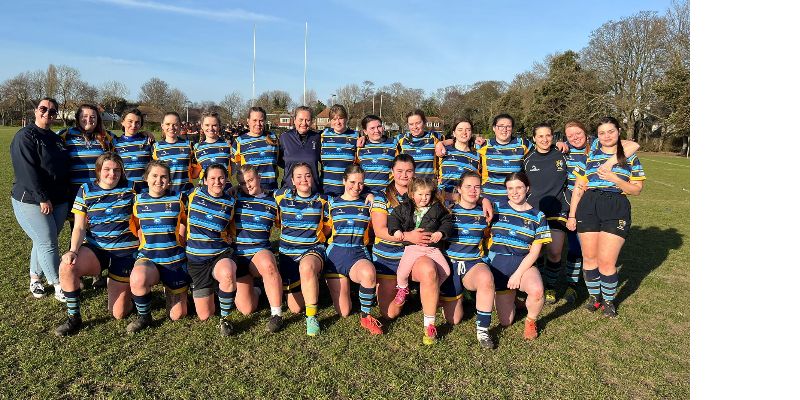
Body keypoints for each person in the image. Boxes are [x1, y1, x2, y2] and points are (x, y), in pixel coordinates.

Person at [566, 117, 646, 318]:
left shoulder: (630, 156)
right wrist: (572, 215)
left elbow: (636, 190)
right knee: (590, 258)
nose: (606, 136)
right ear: (597, 136)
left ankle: (609, 300)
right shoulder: (590, 154)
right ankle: (595, 297)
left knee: (607, 261)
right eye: (602, 133)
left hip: (616, 206)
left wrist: (615, 178)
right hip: (589, 204)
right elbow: (579, 186)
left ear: (619, 131)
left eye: (611, 131)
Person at [54, 152, 139, 336]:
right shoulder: (86, 190)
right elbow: (78, 227)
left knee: (119, 314)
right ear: (98, 170)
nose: (112, 174)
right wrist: (73, 251)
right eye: (107, 169)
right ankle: (73, 317)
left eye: (117, 170)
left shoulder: (133, 188)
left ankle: (127, 291)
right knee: (67, 267)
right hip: (97, 249)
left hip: (125, 252)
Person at [370, 154, 445, 345]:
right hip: (388, 257)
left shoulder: (425, 192)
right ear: (392, 172)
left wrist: (484, 201)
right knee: (390, 313)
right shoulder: (382, 196)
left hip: (418, 254)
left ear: (415, 173)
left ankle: (429, 324)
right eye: (400, 171)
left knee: (429, 270)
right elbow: (379, 230)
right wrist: (407, 235)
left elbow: (455, 195)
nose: (404, 175)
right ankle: (409, 291)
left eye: (409, 171)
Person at [11, 97, 71, 301]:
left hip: (59, 199)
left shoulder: (55, 138)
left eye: (52, 111)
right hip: (32, 200)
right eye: (43, 108)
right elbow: (27, 172)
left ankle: (35, 278)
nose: (47, 113)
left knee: (44, 239)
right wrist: (42, 198)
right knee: (47, 241)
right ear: (36, 110)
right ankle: (58, 284)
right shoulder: (25, 136)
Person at [126, 160, 191, 333]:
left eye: (164, 177)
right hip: (149, 258)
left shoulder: (179, 199)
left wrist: (182, 236)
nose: (159, 180)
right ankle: (144, 317)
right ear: (146, 178)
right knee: (138, 277)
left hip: (175, 259)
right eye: (154, 176)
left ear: (169, 180)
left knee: (178, 315)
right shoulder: (137, 201)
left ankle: (172, 290)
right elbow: (135, 227)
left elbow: (187, 222)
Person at [487, 172, 552, 340]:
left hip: (524, 264)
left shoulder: (538, 216)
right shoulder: (496, 209)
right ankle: (514, 300)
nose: (515, 192)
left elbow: (535, 252)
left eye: (519, 187)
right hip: (499, 264)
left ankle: (531, 321)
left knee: (537, 291)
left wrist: (517, 274)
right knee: (506, 321)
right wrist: (484, 200)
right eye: (510, 188)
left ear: (527, 188)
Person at [322, 164, 384, 335]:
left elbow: (385, 200)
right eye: (352, 182)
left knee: (369, 273)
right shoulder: (332, 203)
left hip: (358, 253)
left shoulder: (368, 203)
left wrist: (373, 195)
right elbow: (325, 231)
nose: (356, 187)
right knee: (344, 311)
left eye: (361, 183)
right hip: (336, 256)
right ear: (344, 181)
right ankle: (346, 289)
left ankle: (366, 315)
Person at [439, 171, 497, 349]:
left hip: (473, 263)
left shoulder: (486, 213)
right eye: (468, 187)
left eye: (477, 187)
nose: (473, 190)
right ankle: (451, 299)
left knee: (486, 279)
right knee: (454, 320)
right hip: (450, 265)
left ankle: (483, 330)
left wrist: (485, 200)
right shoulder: (447, 210)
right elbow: (434, 193)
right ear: (459, 189)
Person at [274, 163, 330, 336]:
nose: (303, 179)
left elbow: (328, 227)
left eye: (307, 175)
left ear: (313, 178)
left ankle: (311, 317)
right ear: (292, 180)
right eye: (298, 176)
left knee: (307, 267)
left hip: (312, 250)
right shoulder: (279, 197)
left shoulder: (323, 200)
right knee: (295, 307)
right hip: (287, 255)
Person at [185, 163, 239, 336]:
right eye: (213, 178)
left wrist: (230, 237)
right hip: (197, 260)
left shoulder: (230, 202)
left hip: (219, 254)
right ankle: (215, 289)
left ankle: (225, 319)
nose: (217, 182)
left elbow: (232, 228)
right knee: (205, 315)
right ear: (205, 180)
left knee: (228, 273)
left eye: (221, 178)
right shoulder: (192, 195)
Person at [232, 164, 284, 333]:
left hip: (260, 251)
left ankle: (276, 314)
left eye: (250, 180)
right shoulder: (233, 198)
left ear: (259, 177)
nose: (247, 185)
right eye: (242, 183)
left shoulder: (273, 200)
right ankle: (258, 289)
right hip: (238, 255)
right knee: (247, 309)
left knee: (268, 265)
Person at [523, 123, 571, 305]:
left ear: (553, 137)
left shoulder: (563, 155)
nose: (544, 139)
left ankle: (550, 286)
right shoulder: (527, 159)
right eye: (540, 136)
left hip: (558, 210)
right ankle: (538, 282)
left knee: (555, 250)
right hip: (535, 211)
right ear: (534, 138)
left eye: (548, 135)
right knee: (535, 251)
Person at [388, 177, 453, 303]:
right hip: (413, 247)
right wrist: (396, 230)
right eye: (420, 194)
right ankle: (402, 288)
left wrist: (441, 232)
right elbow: (393, 218)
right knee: (402, 272)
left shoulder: (438, 208)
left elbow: (447, 222)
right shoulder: (405, 207)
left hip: (432, 248)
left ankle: (432, 289)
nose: (424, 198)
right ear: (412, 194)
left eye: (427, 194)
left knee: (446, 271)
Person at [60, 103, 113, 202]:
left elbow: (126, 139)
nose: (89, 119)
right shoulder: (65, 135)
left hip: (99, 192)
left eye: (93, 117)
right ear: (77, 118)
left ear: (98, 119)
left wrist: (144, 134)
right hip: (73, 192)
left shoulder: (106, 136)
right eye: (84, 116)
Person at [477, 114, 532, 206]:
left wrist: (558, 144)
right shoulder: (483, 145)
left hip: (515, 201)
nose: (504, 129)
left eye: (508, 126)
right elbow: (461, 143)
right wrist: (444, 142)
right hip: (489, 200)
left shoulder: (523, 144)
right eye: (500, 126)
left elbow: (542, 148)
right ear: (494, 128)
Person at [234, 107, 280, 193]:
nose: (258, 124)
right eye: (254, 120)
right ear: (248, 121)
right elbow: (235, 167)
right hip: (250, 190)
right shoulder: (240, 141)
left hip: (271, 189)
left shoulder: (273, 137)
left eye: (261, 120)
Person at [278, 106, 321, 192]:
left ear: (311, 121)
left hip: (312, 192)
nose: (304, 123)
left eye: (307, 120)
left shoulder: (317, 138)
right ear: (294, 120)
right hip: (289, 191)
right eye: (301, 120)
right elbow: (279, 161)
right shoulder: (285, 137)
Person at [320, 104, 359, 197]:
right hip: (326, 190)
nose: (337, 122)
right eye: (334, 119)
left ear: (346, 119)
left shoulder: (356, 136)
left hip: (348, 191)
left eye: (340, 118)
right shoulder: (323, 136)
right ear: (330, 121)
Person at [437, 118, 480, 201]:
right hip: (442, 199)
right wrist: (440, 143)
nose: (464, 133)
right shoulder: (444, 150)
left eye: (468, 130)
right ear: (454, 133)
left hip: (466, 202)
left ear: (471, 133)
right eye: (460, 130)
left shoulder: (478, 155)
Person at [152, 112, 195, 196]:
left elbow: (197, 170)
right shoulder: (155, 147)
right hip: (165, 195)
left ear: (180, 126)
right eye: (168, 124)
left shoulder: (189, 145)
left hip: (186, 195)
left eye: (175, 124)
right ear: (162, 126)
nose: (171, 127)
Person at [112, 108, 152, 193]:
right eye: (130, 121)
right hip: (124, 192)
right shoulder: (115, 143)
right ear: (122, 122)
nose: (133, 125)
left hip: (145, 192)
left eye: (137, 122)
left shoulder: (148, 141)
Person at [356, 115, 397, 194]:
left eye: (379, 126)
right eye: (372, 128)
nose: (377, 130)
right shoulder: (360, 146)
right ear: (365, 131)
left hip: (387, 194)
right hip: (365, 194)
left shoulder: (394, 143)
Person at [397, 109, 441, 181]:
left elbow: (454, 140)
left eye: (418, 123)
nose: (415, 127)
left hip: (429, 187)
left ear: (424, 122)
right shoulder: (401, 139)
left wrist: (442, 143)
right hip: (410, 186)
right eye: (411, 124)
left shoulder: (435, 137)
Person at [193, 112, 233, 183]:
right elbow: (194, 174)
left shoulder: (228, 146)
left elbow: (234, 169)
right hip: (205, 191)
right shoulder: (197, 148)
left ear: (219, 126)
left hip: (225, 190)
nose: (210, 128)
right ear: (202, 126)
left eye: (214, 125)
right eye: (207, 125)